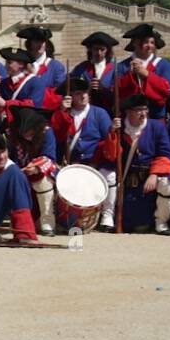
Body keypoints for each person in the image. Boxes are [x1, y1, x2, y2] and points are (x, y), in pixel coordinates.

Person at [101, 94, 170, 235]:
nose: (143, 113)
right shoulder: (119, 129)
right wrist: (112, 134)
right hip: (126, 182)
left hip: (149, 179)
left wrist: (155, 174)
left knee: (167, 185)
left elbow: (167, 155)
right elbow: (111, 156)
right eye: (138, 110)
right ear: (128, 112)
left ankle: (161, 223)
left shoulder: (157, 127)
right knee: (108, 175)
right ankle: (108, 218)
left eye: (145, 109)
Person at [51, 77, 117, 230]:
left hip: (95, 161)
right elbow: (58, 136)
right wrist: (61, 112)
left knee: (110, 176)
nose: (83, 96)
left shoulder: (99, 113)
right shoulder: (64, 113)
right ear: (71, 97)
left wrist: (96, 161)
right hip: (71, 163)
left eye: (85, 93)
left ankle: (107, 215)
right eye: (78, 93)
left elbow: (108, 140)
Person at [111, 23, 170, 153]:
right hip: (130, 124)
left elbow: (168, 91)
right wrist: (130, 76)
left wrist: (147, 75)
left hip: (157, 122)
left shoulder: (164, 65)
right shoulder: (122, 67)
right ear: (135, 44)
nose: (149, 46)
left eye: (152, 42)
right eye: (145, 42)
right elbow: (117, 94)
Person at [6, 106, 58, 236]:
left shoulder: (47, 133)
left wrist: (35, 167)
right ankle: (18, 221)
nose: (26, 135)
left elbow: (49, 156)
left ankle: (47, 223)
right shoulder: (13, 135)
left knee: (43, 183)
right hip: (20, 170)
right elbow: (11, 156)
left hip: (42, 170)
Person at [0, 47, 44, 121]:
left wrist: (7, 103)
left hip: (27, 125)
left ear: (21, 64)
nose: (6, 66)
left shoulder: (35, 82)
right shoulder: (4, 83)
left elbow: (34, 104)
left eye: (9, 62)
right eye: (6, 62)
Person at [18, 26, 66, 111]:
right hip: (23, 113)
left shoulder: (56, 67)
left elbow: (58, 95)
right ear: (30, 44)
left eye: (43, 42)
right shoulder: (21, 65)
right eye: (37, 41)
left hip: (46, 114)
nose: (41, 44)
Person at [71, 31, 118, 111]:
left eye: (102, 49)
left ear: (107, 50)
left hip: (109, 111)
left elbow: (119, 92)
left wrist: (103, 88)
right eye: (96, 49)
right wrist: (87, 88)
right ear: (90, 50)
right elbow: (72, 89)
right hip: (86, 111)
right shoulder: (81, 68)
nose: (99, 53)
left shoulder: (114, 69)